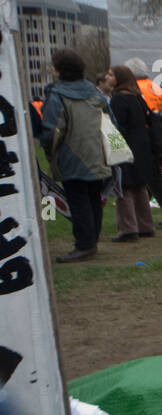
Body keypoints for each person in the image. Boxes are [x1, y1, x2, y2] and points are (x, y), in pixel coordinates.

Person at [40, 50, 112, 263]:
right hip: (96, 153)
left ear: (59, 70)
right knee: (92, 198)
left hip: (72, 154)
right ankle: (92, 240)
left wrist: (49, 150)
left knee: (79, 200)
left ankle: (85, 244)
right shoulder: (96, 94)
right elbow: (110, 122)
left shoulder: (57, 95)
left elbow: (52, 129)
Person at [124, 56, 162, 226]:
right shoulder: (157, 87)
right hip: (160, 137)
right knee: (151, 178)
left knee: (151, 179)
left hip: (143, 139)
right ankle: (146, 214)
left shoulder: (134, 91)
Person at [105, 64, 156, 242]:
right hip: (142, 147)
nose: (107, 77)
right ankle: (145, 225)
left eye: (111, 75)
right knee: (140, 186)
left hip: (126, 147)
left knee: (124, 187)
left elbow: (118, 127)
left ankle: (128, 228)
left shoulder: (119, 99)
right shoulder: (137, 97)